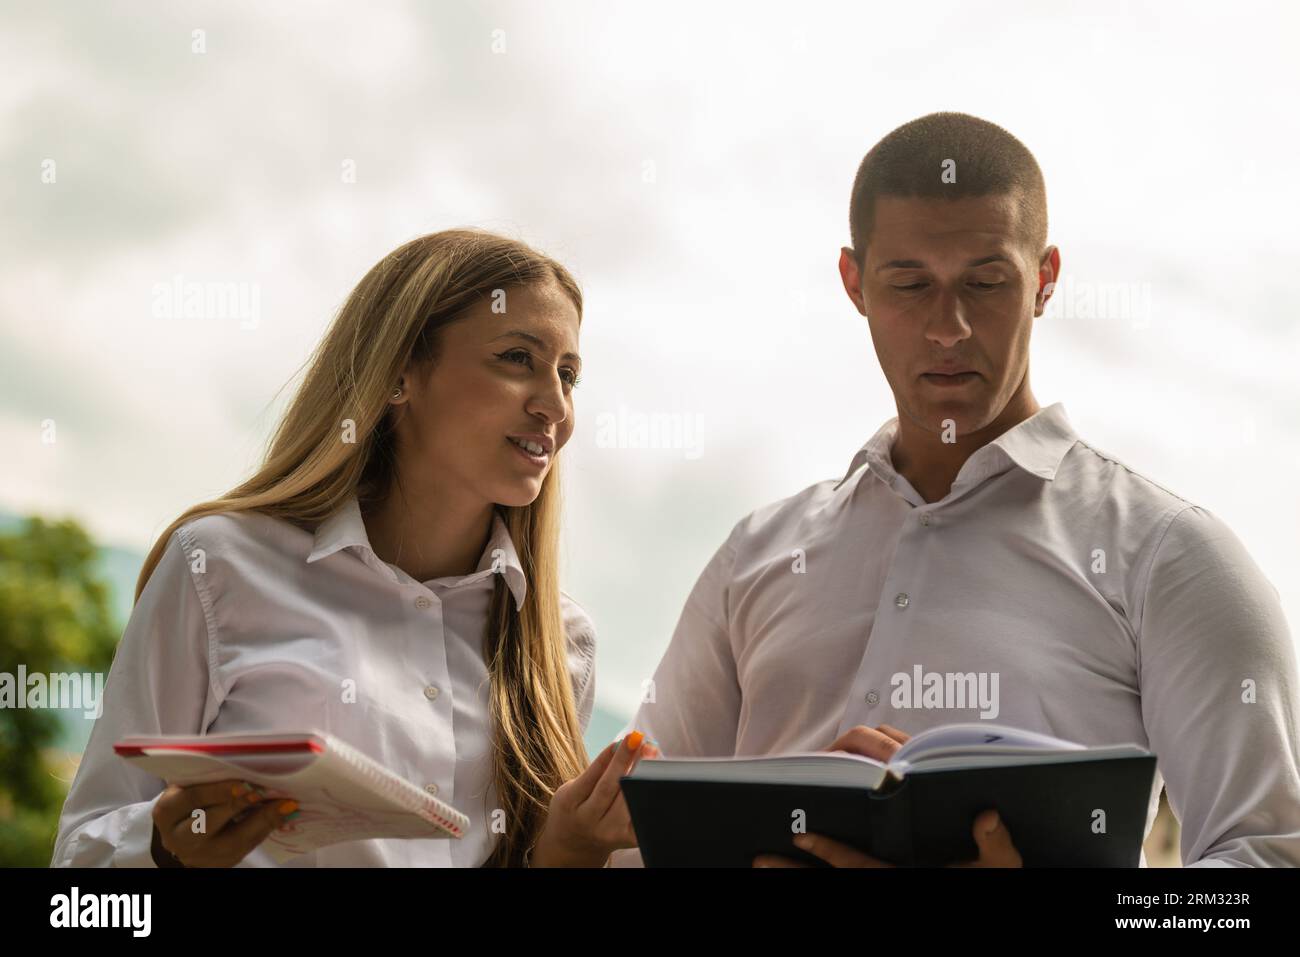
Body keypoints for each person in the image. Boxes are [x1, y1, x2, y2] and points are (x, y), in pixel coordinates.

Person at [614, 112, 1300, 868]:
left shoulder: (1174, 556)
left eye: (986, 281)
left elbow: (1267, 864)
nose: (949, 327)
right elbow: (637, 843)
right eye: (910, 283)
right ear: (854, 284)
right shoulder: (754, 555)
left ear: (1044, 280)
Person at [51, 228, 655, 868]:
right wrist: (164, 850)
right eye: (516, 358)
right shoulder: (218, 565)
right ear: (399, 375)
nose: (554, 406)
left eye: (569, 375)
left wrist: (570, 851)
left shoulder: (559, 641)